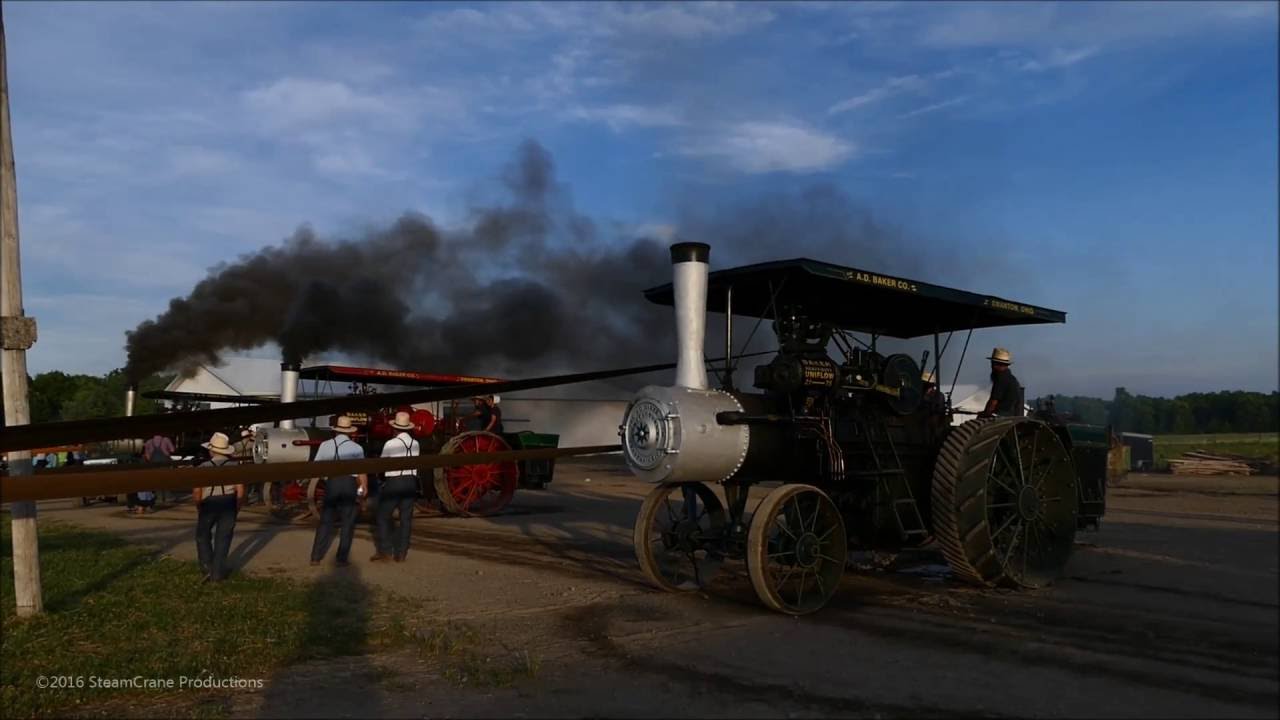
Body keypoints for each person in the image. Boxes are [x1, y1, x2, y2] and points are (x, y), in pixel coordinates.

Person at [309, 416, 367, 567]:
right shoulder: (357, 448)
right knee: (347, 523)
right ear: (350, 432)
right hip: (349, 484)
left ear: (335, 431)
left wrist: (326, 477)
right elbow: (361, 472)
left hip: (332, 482)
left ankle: (315, 557)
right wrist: (363, 488)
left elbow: (316, 466)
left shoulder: (325, 445)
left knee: (325, 521)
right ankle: (341, 559)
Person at [192, 432, 244, 582]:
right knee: (223, 538)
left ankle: (207, 566)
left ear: (212, 450)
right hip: (229, 502)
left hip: (209, 502)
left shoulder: (203, 467)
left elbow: (197, 490)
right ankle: (217, 573)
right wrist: (237, 506)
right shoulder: (235, 466)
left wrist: (198, 505)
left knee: (202, 535)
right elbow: (240, 489)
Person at [373, 411, 420, 563]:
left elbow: (382, 462)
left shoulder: (390, 443)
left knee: (382, 515)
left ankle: (385, 551)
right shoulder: (415, 443)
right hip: (411, 481)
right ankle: (402, 553)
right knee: (406, 519)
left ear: (395, 429)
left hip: (394, 481)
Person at [978, 347, 1024, 419]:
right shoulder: (1012, 379)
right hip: (1010, 417)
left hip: (1000, 417)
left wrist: (984, 415)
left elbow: (993, 402)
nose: (992, 366)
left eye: (993, 363)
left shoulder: (1001, 379)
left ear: (996, 364)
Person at [143, 432, 175, 505]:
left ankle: (159, 498)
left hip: (154, 463)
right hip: (165, 463)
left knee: (157, 480)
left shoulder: (149, 442)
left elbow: (147, 455)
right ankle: (168, 497)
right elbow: (172, 450)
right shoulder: (166, 440)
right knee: (166, 479)